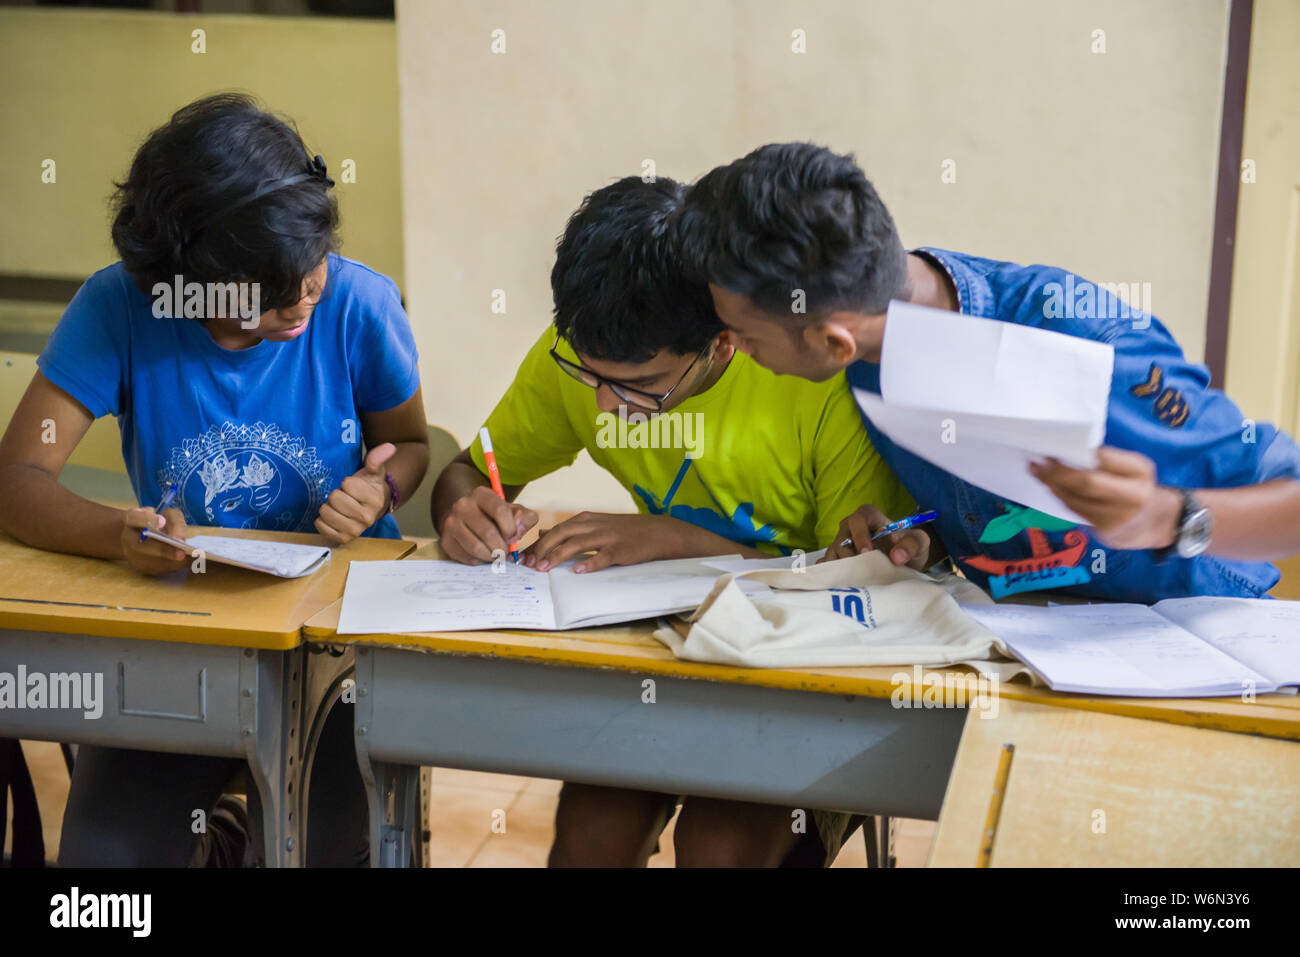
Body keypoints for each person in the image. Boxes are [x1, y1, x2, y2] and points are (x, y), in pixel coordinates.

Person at [432, 175, 912, 865]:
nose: (603, 407)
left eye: (638, 388)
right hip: (668, 671)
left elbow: (865, 585)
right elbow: (470, 469)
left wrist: (683, 540)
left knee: (721, 844)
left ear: (724, 342)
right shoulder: (591, 352)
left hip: (810, 682)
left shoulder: (813, 377)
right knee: (591, 836)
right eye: (587, 372)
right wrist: (461, 509)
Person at [0, 93, 429, 865]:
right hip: (187, 639)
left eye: (312, 271)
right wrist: (113, 535)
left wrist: (384, 487)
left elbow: (407, 443)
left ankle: (229, 845)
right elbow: (18, 476)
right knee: (104, 868)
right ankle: (221, 845)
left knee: (316, 849)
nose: (303, 302)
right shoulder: (122, 305)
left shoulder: (357, 302)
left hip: (334, 648)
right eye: (268, 298)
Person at [674, 142, 1300, 601]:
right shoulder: (872, 359)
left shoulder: (1084, 340)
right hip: (1035, 654)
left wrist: (1169, 516)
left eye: (748, 338)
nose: (737, 350)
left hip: (1199, 651)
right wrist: (928, 540)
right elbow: (1007, 518)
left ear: (832, 340)